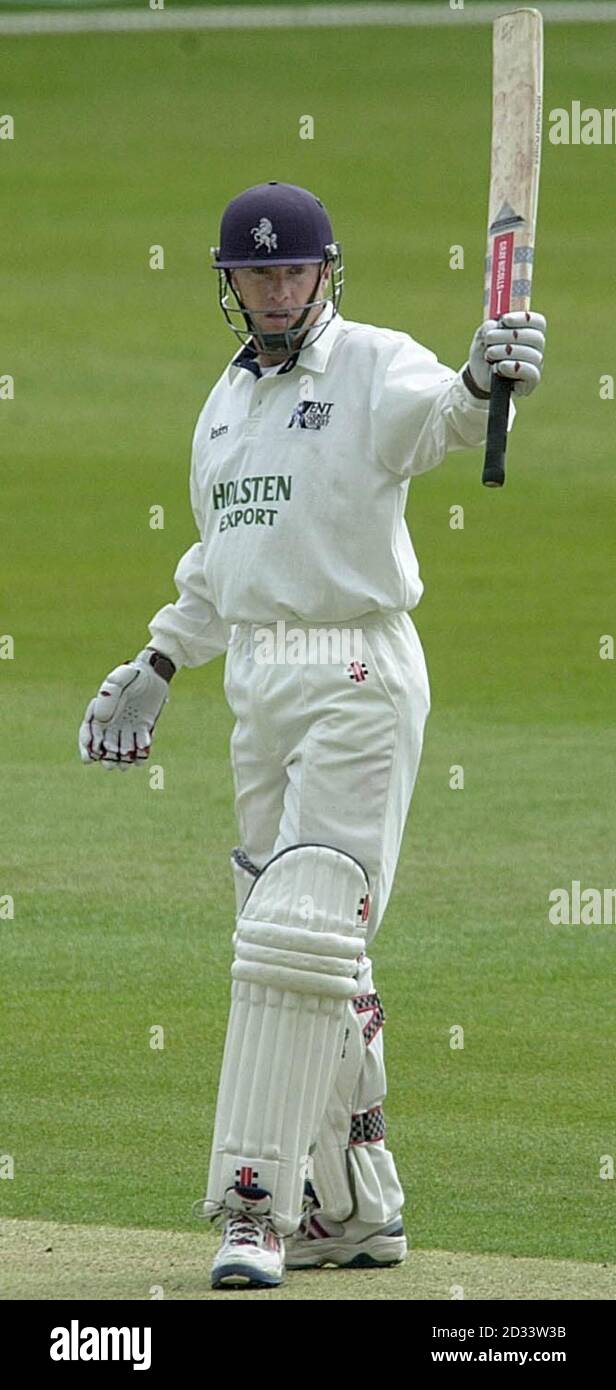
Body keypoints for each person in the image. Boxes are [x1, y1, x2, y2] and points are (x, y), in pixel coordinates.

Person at [79, 181, 546, 1290]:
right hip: (259, 684)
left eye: (296, 271)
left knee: (293, 936)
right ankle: (357, 1207)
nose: (279, 288)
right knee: (300, 952)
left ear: (326, 273)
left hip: (355, 669)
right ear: (230, 283)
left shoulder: (375, 365)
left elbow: (447, 422)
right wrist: (155, 663)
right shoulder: (224, 409)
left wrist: (489, 376)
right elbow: (221, 564)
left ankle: (257, 1205)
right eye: (259, 272)